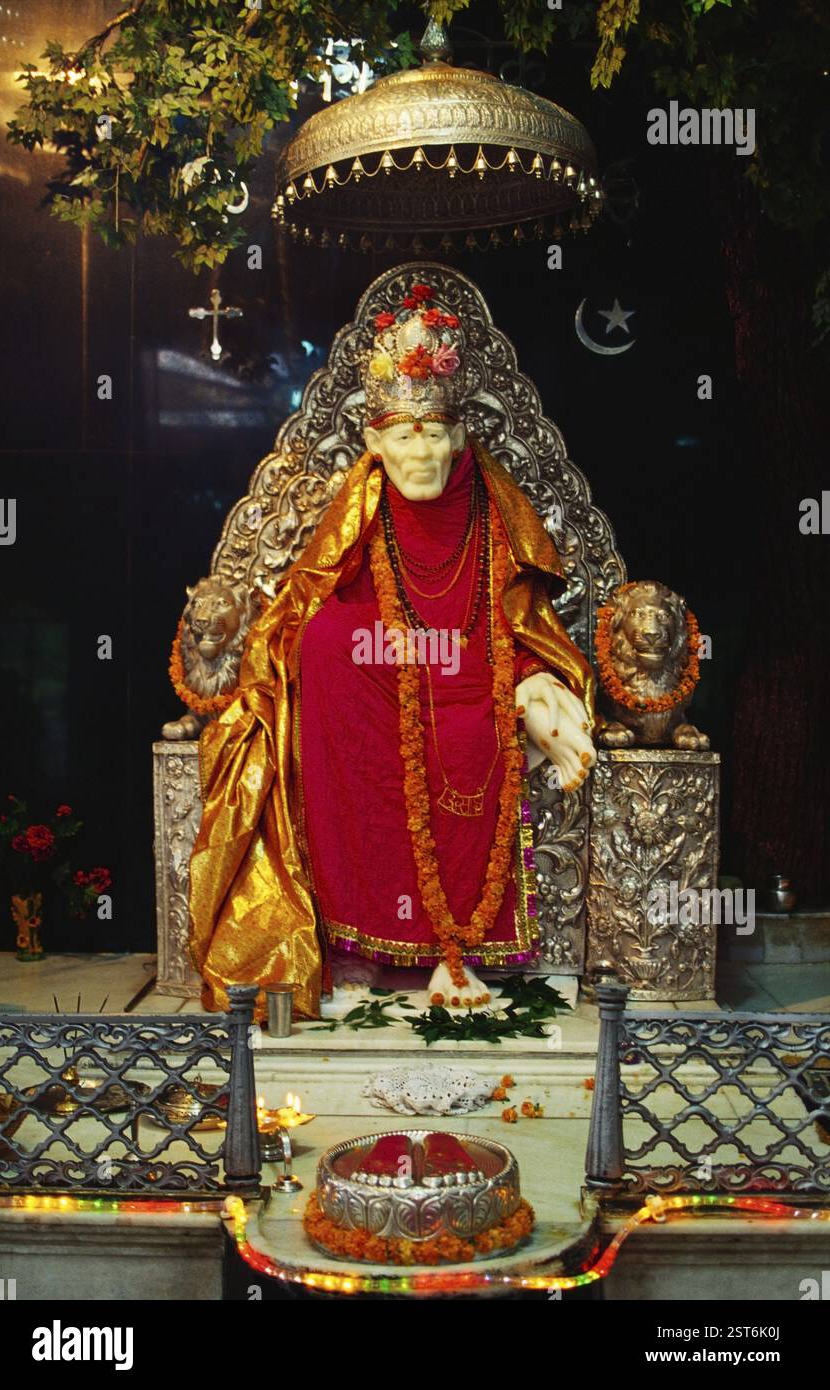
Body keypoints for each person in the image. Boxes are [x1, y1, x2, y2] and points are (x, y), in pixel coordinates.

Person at [189, 279, 595, 1018]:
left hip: (474, 666)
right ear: (374, 442)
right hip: (382, 678)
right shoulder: (361, 500)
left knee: (487, 718)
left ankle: (461, 949)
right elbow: (310, 602)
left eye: (436, 433)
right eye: (404, 435)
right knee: (328, 658)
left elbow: (524, 610)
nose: (422, 451)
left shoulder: (492, 502)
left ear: (462, 437)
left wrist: (532, 678)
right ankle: (361, 944)